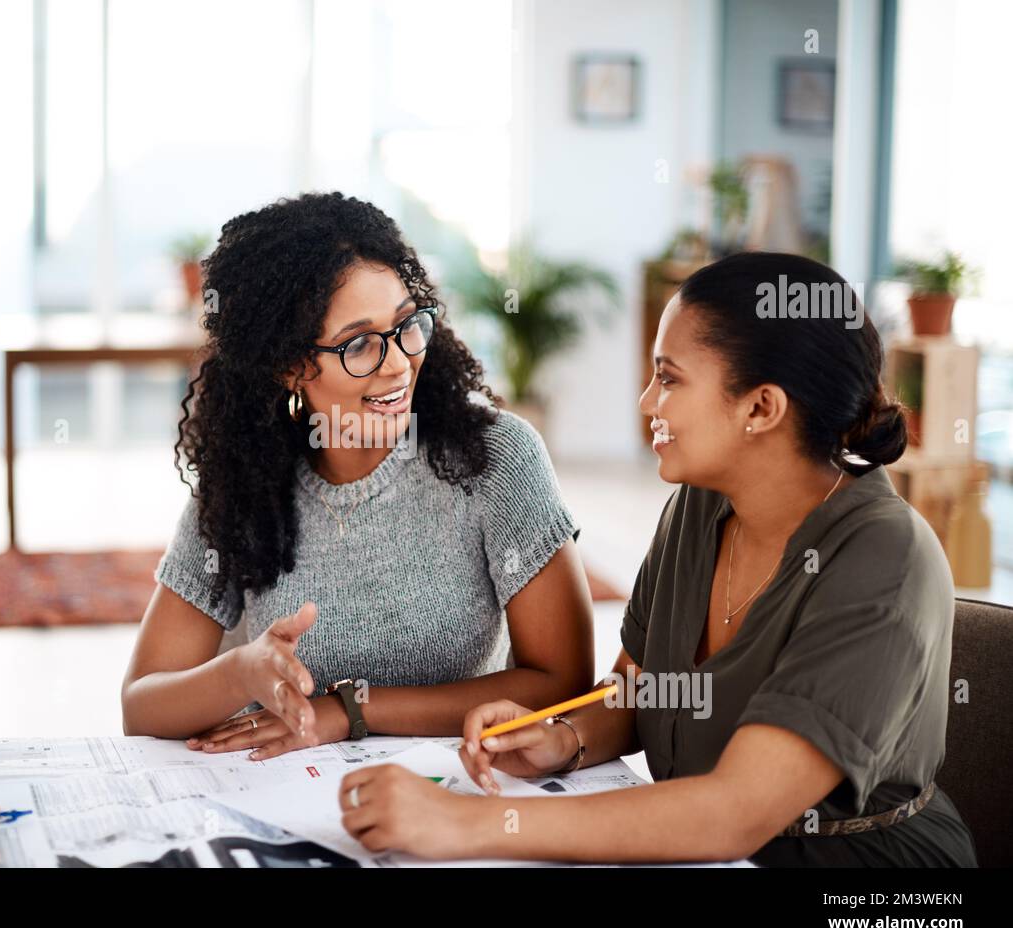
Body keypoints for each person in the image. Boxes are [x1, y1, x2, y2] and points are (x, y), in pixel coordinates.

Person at [337, 252, 978, 867]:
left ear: (761, 407)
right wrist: (564, 740)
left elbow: (734, 813)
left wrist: (462, 823)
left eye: (668, 378)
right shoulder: (701, 506)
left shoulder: (884, 559)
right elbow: (638, 688)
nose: (647, 402)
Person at [122, 192, 595, 761]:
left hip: (453, 799)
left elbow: (562, 681)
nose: (398, 363)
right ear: (291, 366)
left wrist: (349, 712)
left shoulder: (494, 459)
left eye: (405, 326)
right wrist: (238, 674)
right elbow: (141, 706)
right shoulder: (242, 486)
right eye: (360, 344)